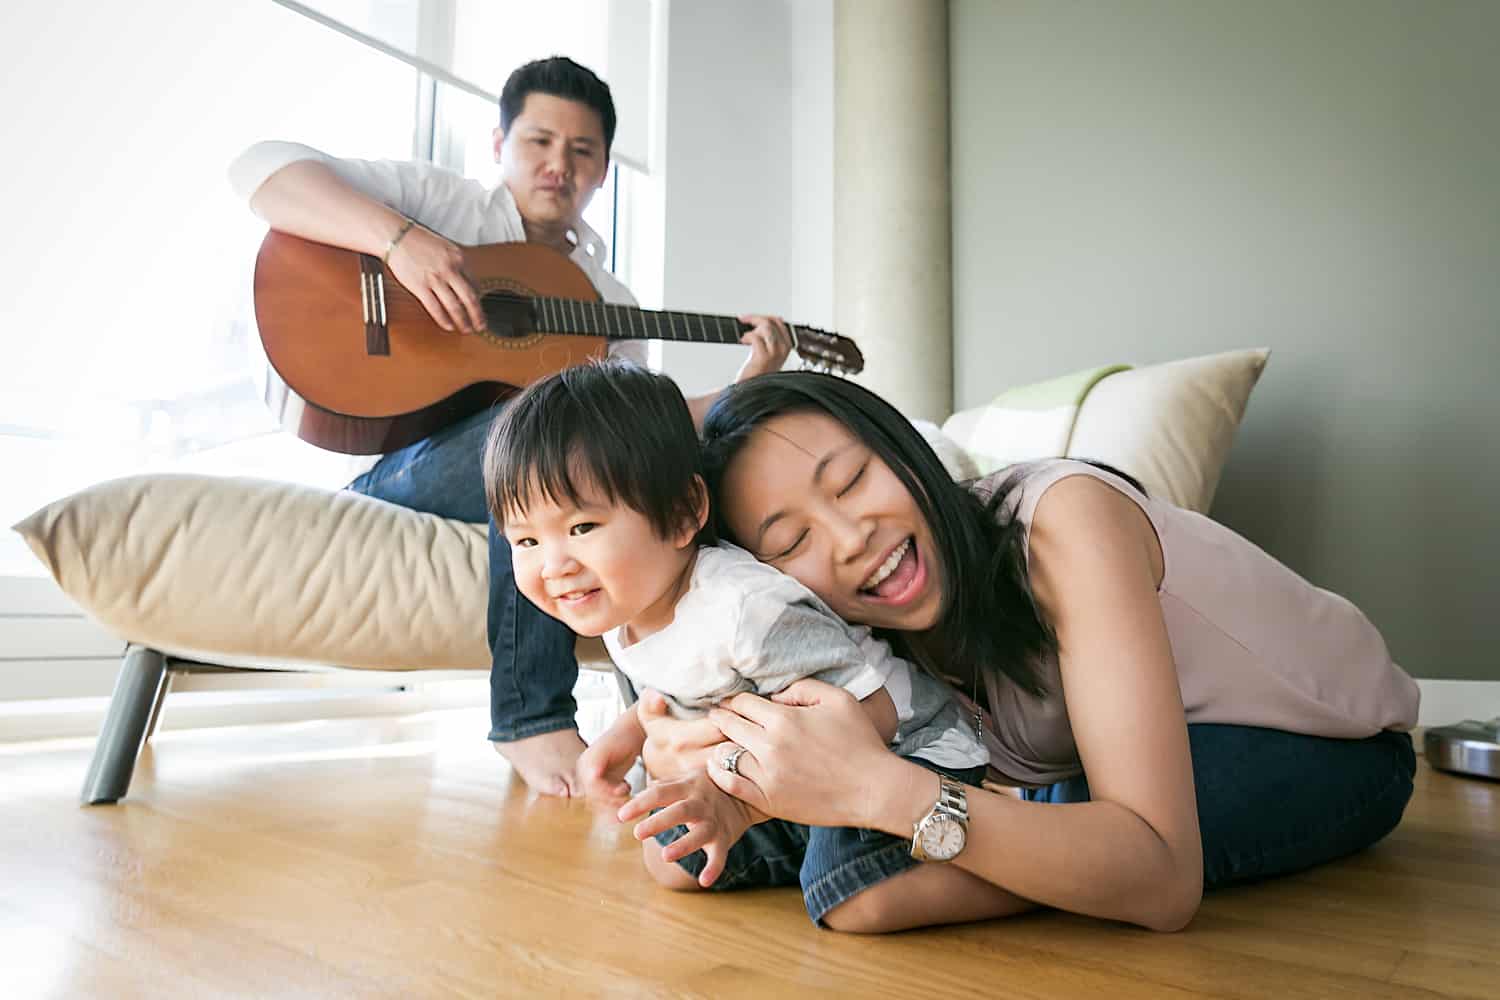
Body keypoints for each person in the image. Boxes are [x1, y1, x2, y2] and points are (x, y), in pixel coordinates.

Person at [622, 370, 1420, 934]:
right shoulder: (837, 632)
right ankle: (1055, 845)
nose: (851, 537)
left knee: (855, 886)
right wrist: (712, 771)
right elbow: (696, 837)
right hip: (1100, 780)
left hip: (1328, 751)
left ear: (904, 449)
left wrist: (884, 794)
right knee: (687, 850)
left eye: (855, 480)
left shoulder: (1066, 521)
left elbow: (1166, 882)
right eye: (792, 542)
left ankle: (1065, 851)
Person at [229, 57, 793, 796]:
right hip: (401, 460)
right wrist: (401, 243)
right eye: (539, 141)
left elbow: (630, 434)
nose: (558, 165)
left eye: (581, 151)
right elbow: (260, 170)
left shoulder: (605, 299)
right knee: (535, 440)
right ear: (499, 144)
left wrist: (744, 389)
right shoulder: (439, 205)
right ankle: (531, 717)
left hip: (512, 467)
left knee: (574, 448)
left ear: (601, 170)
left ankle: (723, 698)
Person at [483, 359, 994, 925]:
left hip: (908, 756)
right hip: (785, 777)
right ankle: (812, 853)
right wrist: (622, 739)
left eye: (581, 529)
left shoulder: (746, 611)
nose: (553, 565)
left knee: (851, 897)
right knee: (671, 858)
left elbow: (870, 710)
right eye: (525, 539)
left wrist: (741, 801)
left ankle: (1019, 881)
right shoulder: (618, 603)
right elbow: (679, 683)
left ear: (681, 514)